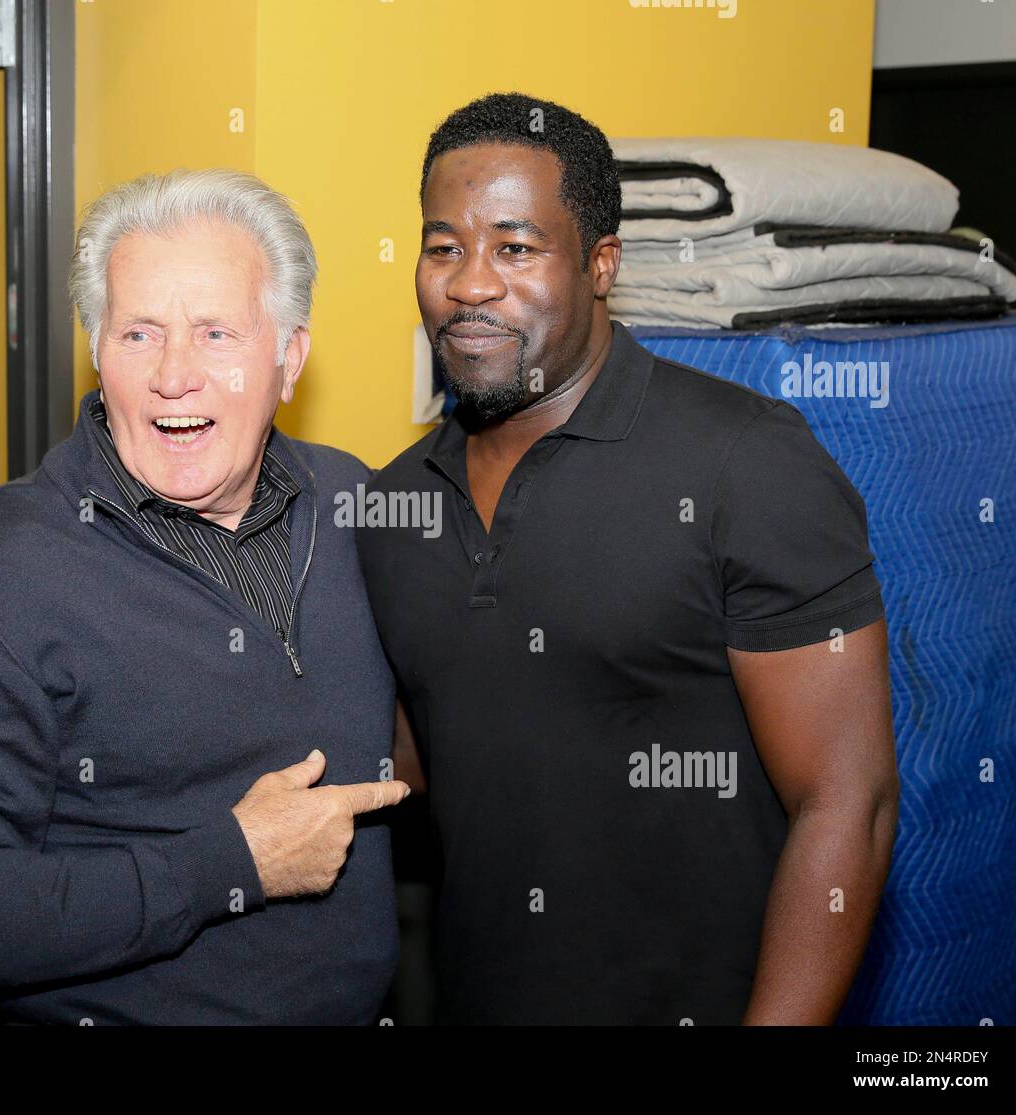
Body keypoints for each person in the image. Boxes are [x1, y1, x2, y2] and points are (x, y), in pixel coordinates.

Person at [356, 93, 900, 1024]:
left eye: (515, 248)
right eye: (443, 247)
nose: (470, 284)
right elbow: (422, 766)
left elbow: (850, 803)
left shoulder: (747, 461)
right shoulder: (393, 504)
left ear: (600, 264)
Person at [0, 169, 410, 1025]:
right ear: (97, 353)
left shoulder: (362, 508)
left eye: (217, 333)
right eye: (139, 334)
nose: (173, 375)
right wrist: (229, 862)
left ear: (290, 356)